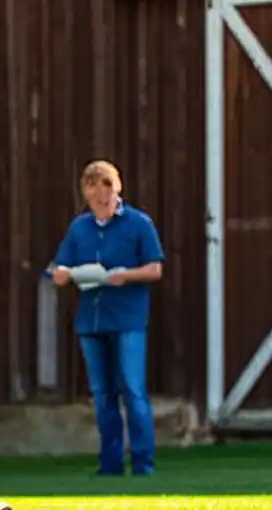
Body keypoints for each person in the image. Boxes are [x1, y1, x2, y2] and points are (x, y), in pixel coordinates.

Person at [50, 160, 164, 476]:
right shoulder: (80, 228)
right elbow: (60, 266)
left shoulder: (139, 224)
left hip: (127, 317)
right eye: (94, 190)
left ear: (117, 190)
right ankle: (109, 463)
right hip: (92, 319)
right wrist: (61, 274)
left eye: (107, 189)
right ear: (86, 193)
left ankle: (143, 463)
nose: (102, 197)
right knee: (102, 395)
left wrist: (125, 276)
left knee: (133, 388)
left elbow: (155, 268)